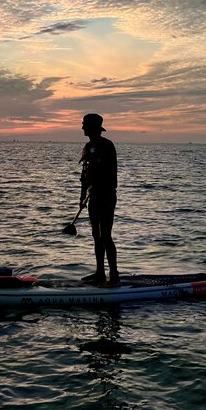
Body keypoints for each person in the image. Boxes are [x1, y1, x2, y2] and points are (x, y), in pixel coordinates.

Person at [79, 113, 119, 286]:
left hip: (107, 195)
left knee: (106, 235)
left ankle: (114, 276)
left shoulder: (107, 146)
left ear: (93, 128)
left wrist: (98, 184)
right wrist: (82, 196)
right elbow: (85, 174)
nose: (82, 128)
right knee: (96, 235)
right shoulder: (87, 147)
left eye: (85, 125)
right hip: (93, 196)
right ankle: (100, 273)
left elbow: (109, 173)